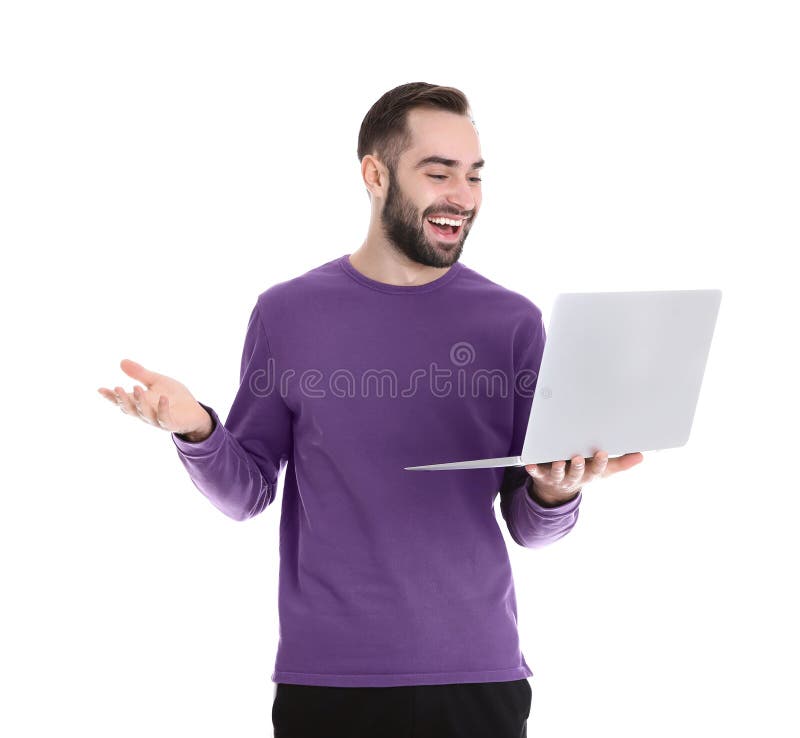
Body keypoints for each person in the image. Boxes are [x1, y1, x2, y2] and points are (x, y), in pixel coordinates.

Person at [98, 81, 643, 738]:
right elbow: (245, 492)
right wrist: (197, 430)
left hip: (478, 680)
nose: (462, 196)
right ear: (375, 174)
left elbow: (530, 524)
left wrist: (556, 495)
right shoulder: (288, 314)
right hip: (329, 686)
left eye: (473, 175)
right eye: (438, 172)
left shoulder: (514, 324)